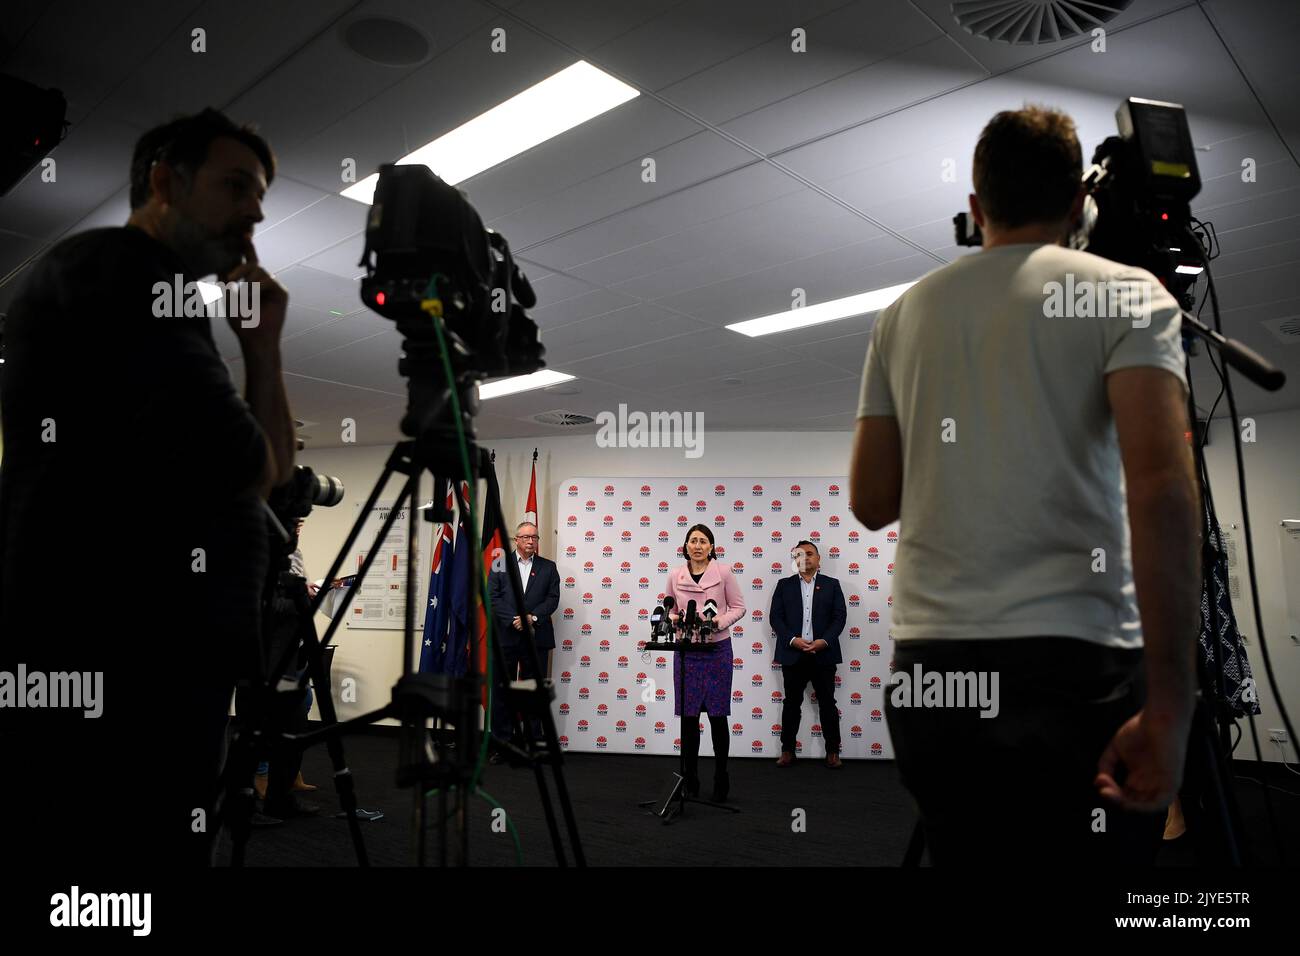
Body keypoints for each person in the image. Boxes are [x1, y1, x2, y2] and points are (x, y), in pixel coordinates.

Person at [849, 104, 1200, 865]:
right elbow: (1164, 496)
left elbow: (871, 502)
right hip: (1074, 667)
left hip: (933, 672)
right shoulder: (1127, 294)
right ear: (1080, 203)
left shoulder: (901, 314)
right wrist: (1174, 706)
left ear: (976, 209)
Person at [0, 107, 294, 867]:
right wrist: (262, 351)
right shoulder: (119, 270)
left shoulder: (155, 293)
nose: (254, 211)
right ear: (165, 181)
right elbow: (258, 466)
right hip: (113, 665)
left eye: (260, 196)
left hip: (143, 662)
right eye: (237, 186)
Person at [665, 524, 745, 802]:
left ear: (712, 546)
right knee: (688, 720)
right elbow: (668, 608)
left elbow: (739, 607)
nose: (697, 546)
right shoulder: (676, 574)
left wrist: (716, 623)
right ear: (685, 546)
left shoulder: (723, 572)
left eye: (703, 541)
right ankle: (690, 778)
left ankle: (721, 776)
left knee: (717, 716)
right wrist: (675, 620)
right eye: (693, 541)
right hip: (687, 652)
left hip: (717, 651)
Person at [768, 541, 847, 768]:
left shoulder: (832, 585)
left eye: (810, 554)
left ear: (819, 559)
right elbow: (776, 618)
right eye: (799, 554)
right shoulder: (784, 585)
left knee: (827, 704)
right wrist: (793, 640)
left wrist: (824, 641)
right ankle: (787, 751)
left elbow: (839, 617)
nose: (805, 558)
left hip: (823, 654)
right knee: (791, 703)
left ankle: (833, 752)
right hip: (793, 654)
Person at [487, 521, 559, 758]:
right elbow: (493, 596)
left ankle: (532, 743)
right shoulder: (499, 564)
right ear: (515, 540)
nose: (531, 541)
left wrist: (531, 617)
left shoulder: (548, 567)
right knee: (502, 691)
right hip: (506, 636)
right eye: (526, 537)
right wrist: (514, 619)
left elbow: (552, 599)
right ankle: (502, 743)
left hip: (536, 636)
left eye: (535, 537)